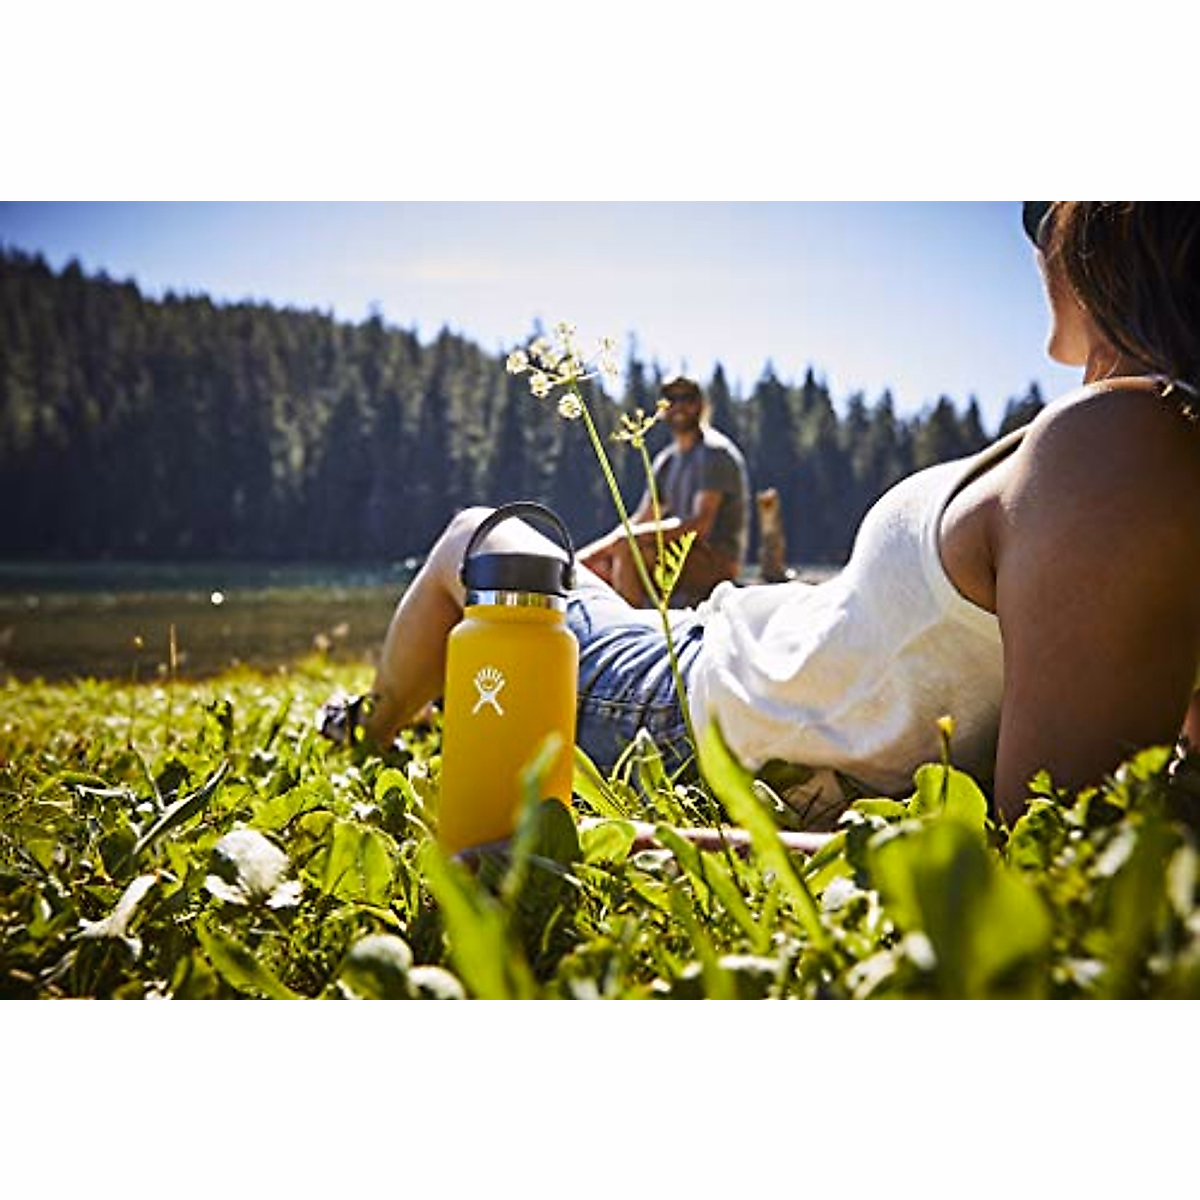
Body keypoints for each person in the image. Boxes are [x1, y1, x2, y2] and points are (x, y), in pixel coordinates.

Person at [334, 203, 1200, 830]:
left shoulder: (1118, 445)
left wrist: (660, 844)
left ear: (1112, 220)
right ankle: (415, 713)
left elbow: (1054, 841)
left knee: (475, 534)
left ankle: (367, 731)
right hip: (727, 652)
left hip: (685, 708)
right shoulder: (1131, 453)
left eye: (1037, 210)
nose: (1036, 230)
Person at [579, 376, 750, 608]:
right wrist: (586, 557)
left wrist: (626, 542)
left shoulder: (715, 454)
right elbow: (643, 518)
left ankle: (633, 633)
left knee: (629, 552)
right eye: (671, 399)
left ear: (701, 405)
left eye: (687, 398)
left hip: (714, 559)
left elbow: (700, 525)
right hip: (674, 553)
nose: (679, 406)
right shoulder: (666, 461)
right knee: (606, 561)